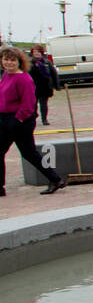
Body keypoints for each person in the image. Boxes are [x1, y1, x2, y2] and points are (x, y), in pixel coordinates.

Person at [0, 46, 65, 196]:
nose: (9, 63)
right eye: (6, 60)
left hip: (19, 121)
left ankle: (55, 179)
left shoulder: (23, 78)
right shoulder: (5, 75)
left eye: (12, 60)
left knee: (29, 153)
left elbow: (28, 104)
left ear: (19, 61)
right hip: (4, 119)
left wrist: (17, 120)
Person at [28, 44, 60, 126]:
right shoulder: (29, 62)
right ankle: (34, 116)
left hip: (45, 86)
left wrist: (57, 85)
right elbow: (27, 74)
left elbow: (54, 74)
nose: (36, 53)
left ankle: (44, 119)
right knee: (33, 104)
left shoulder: (47, 62)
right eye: (34, 52)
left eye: (38, 52)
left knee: (43, 104)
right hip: (33, 87)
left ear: (41, 53)